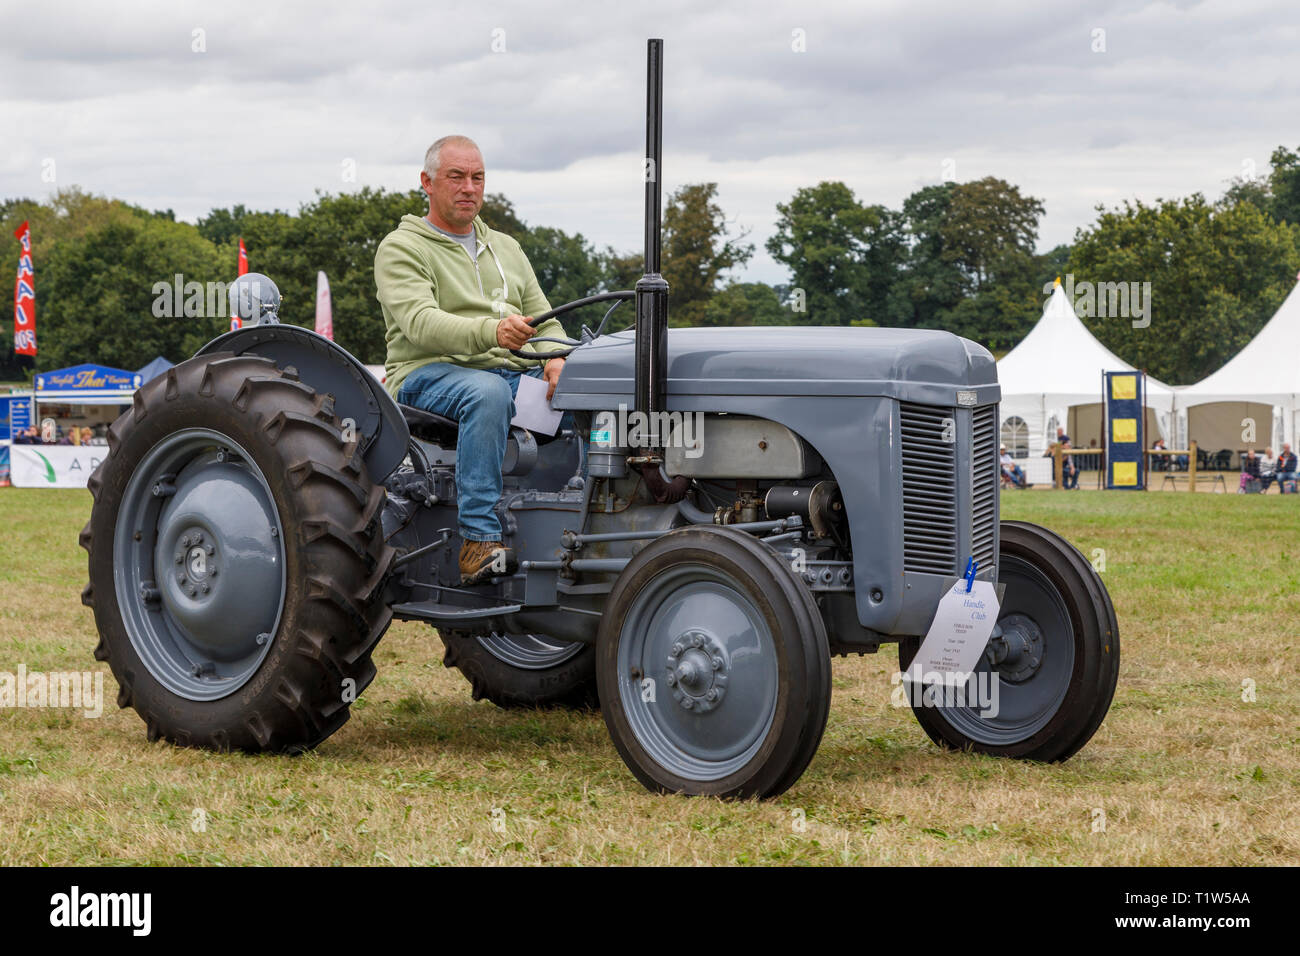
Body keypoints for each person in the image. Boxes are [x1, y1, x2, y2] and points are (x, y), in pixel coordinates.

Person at [375, 135, 572, 585]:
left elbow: (546, 322)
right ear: (427, 182)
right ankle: (478, 539)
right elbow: (420, 323)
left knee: (591, 389)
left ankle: (583, 520)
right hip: (425, 374)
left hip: (504, 370)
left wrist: (556, 360)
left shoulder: (506, 248)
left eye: (477, 177)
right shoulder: (402, 247)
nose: (469, 187)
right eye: (456, 177)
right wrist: (493, 332)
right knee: (484, 393)